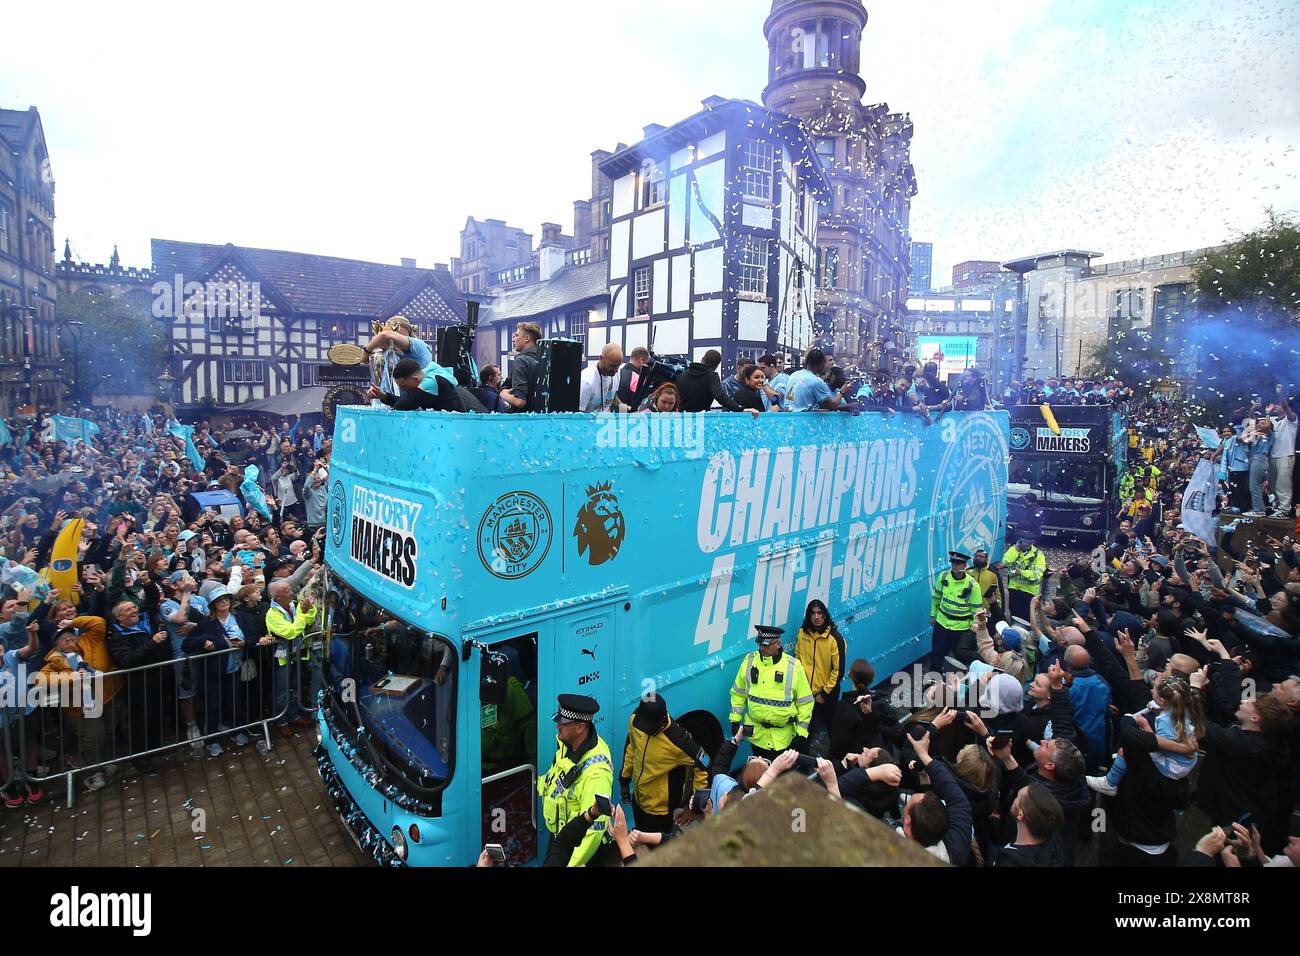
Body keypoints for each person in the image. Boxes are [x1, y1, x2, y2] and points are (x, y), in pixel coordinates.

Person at [1086, 675, 1201, 797]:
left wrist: (1145, 725)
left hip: (1172, 768)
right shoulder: (1185, 708)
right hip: (1187, 763)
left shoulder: (1164, 721)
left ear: (1162, 701)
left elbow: (1157, 744)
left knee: (1124, 751)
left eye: (1154, 690)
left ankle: (1110, 783)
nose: (1151, 691)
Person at [538, 693, 618, 866]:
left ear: (580, 727)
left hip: (579, 850)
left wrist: (571, 864)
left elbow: (594, 830)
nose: (557, 726)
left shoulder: (597, 773)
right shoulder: (567, 742)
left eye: (563, 723)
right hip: (562, 838)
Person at [617, 695, 708, 833]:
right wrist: (624, 780)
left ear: (662, 721)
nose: (644, 730)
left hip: (659, 812)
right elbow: (631, 748)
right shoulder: (636, 719)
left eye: (648, 727)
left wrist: (694, 808)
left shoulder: (679, 741)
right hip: (638, 800)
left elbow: (704, 766)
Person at [728, 624, 814, 760]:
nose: (762, 648)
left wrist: (801, 731)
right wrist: (735, 719)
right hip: (757, 736)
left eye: (766, 645)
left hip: (782, 738)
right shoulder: (749, 661)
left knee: (780, 779)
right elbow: (738, 692)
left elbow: (805, 702)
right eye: (760, 644)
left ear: (778, 644)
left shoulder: (793, 667)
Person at [266, 578, 317, 737]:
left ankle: (294, 716)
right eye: (287, 591)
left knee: (295, 686)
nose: (292, 592)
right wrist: (303, 613)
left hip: (297, 653)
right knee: (282, 690)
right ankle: (282, 722)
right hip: (281, 655)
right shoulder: (272, 614)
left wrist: (308, 610)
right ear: (278, 597)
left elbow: (309, 620)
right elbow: (291, 632)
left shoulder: (293, 604)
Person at [794, 599, 845, 749]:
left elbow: (839, 670)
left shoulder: (834, 638)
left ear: (825, 615)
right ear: (808, 616)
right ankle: (803, 763)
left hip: (827, 694)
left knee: (832, 727)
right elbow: (797, 659)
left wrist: (824, 693)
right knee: (803, 730)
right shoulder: (802, 633)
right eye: (813, 613)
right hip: (805, 693)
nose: (817, 617)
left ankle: (838, 757)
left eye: (820, 613)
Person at [929, 551, 983, 671]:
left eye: (959, 564)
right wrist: (933, 615)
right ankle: (931, 683)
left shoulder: (972, 586)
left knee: (959, 658)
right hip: (942, 623)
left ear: (964, 566)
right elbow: (936, 597)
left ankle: (956, 684)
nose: (955, 566)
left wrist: (973, 629)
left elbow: (976, 610)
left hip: (961, 628)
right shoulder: (943, 577)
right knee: (937, 654)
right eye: (953, 563)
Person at [362, 315, 433, 395]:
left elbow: (385, 336)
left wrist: (366, 351)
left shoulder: (418, 344)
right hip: (405, 401)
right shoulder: (392, 353)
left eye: (397, 334)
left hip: (420, 400)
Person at [366, 358, 466, 412]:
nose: (404, 390)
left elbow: (402, 405)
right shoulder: (428, 375)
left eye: (404, 386)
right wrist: (384, 396)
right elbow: (405, 401)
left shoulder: (430, 383)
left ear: (415, 379)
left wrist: (387, 397)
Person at [675, 350, 749, 413]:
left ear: (702, 359)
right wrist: (740, 409)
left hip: (682, 419)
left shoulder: (682, 375)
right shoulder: (712, 376)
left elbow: (675, 397)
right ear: (716, 366)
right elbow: (720, 396)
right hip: (701, 419)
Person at [786, 348, 854, 412]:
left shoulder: (794, 374)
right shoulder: (816, 381)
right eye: (824, 363)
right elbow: (832, 406)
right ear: (820, 364)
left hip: (788, 418)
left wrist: (814, 410)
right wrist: (842, 391)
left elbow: (796, 404)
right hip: (802, 420)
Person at [999, 536, 1046, 623]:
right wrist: (1015, 550)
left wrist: (1021, 573)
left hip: (1029, 592)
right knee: (1013, 616)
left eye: (1027, 543)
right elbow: (1005, 562)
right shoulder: (1014, 550)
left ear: (1031, 543)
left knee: (1026, 620)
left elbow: (1037, 574)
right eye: (1023, 542)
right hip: (1014, 589)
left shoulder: (1038, 554)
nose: (1025, 545)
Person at [502, 322, 545, 412]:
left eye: (516, 336)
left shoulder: (521, 361)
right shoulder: (544, 360)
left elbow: (519, 401)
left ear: (526, 338)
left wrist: (503, 393)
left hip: (523, 421)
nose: (513, 340)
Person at [1268, 385, 1296, 517]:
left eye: (1278, 405)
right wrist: (1261, 411)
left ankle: (1284, 510)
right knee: (1273, 484)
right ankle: (1277, 507)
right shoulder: (1272, 420)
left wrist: (1280, 395)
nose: (1276, 407)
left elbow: (1286, 408)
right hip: (1272, 456)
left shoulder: (1292, 419)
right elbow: (1255, 422)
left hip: (1286, 455)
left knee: (1282, 484)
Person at [578, 343, 625, 413]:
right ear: (601, 358)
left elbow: (612, 397)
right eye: (612, 366)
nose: (616, 370)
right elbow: (577, 416)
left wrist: (626, 409)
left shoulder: (615, 373)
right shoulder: (586, 382)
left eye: (619, 365)